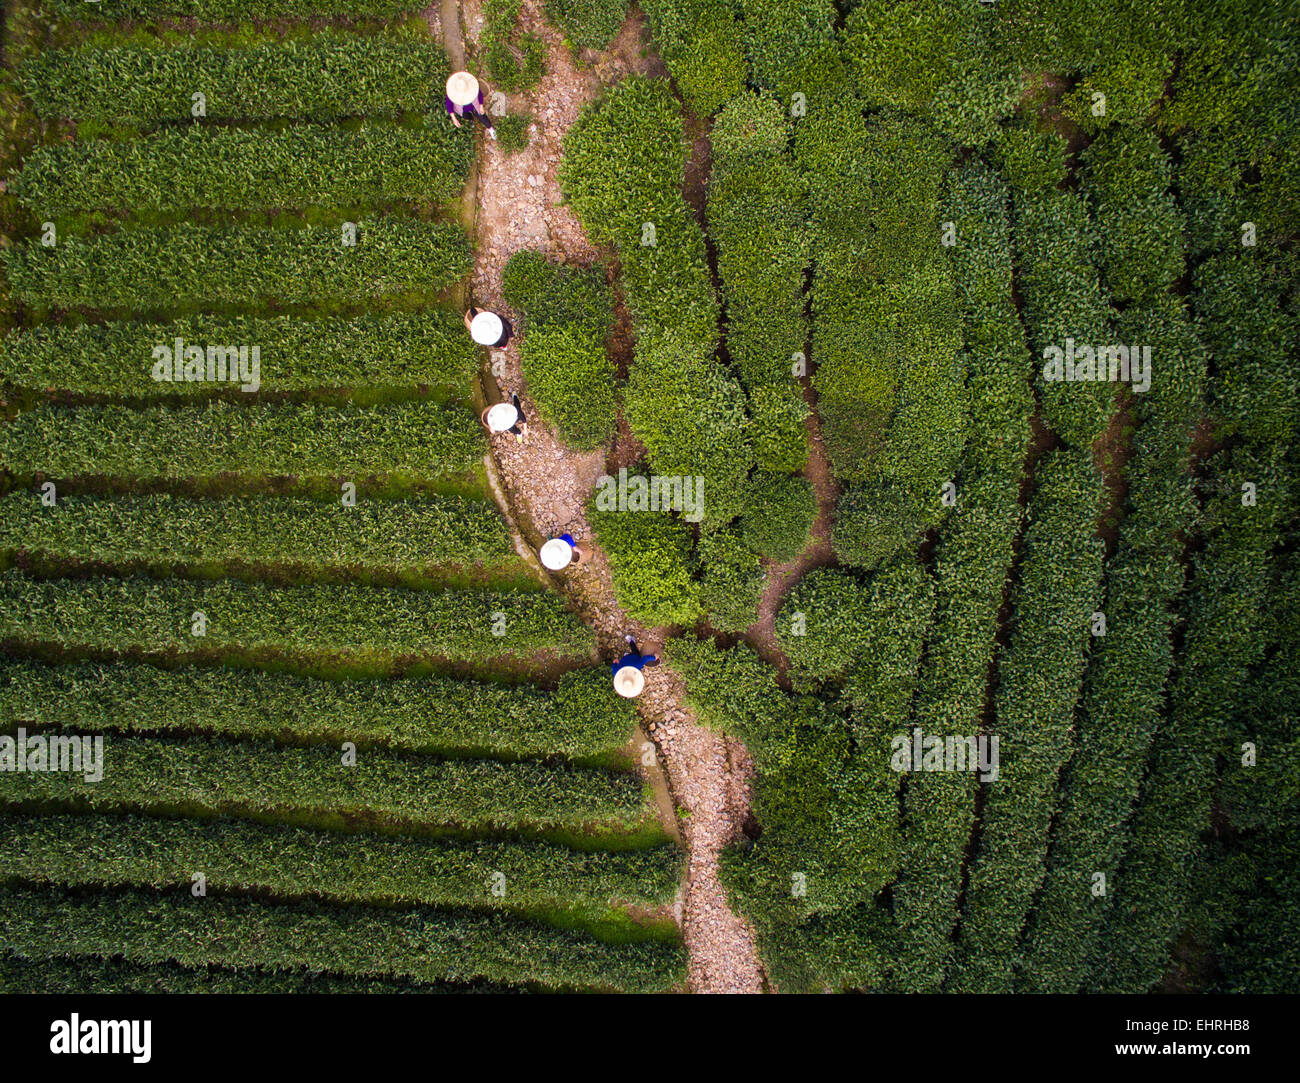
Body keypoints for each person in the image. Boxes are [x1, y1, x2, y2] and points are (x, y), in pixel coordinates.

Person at [445, 71, 496, 139]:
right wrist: (454, 118)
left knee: (482, 117)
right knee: (466, 116)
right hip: (462, 110)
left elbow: (479, 94)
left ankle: (491, 129)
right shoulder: (452, 94)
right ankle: (472, 120)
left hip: (474, 105)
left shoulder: (472, 87)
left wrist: (481, 106)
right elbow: (449, 105)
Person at [611, 634, 659, 699]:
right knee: (632, 654)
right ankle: (629, 646)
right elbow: (615, 661)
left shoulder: (637, 666)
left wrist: (654, 657)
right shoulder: (615, 672)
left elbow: (645, 658)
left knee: (636, 653)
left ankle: (631, 641)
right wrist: (618, 662)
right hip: (625, 659)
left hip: (635, 658)